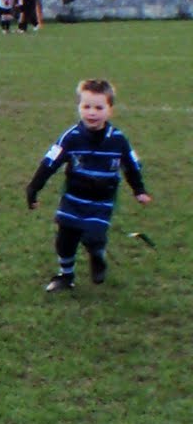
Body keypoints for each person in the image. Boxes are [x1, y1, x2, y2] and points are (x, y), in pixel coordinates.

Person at [26, 79, 150, 292]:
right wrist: (34, 188)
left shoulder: (118, 140)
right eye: (86, 106)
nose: (92, 112)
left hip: (101, 200)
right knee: (65, 239)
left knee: (93, 237)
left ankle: (97, 256)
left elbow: (131, 165)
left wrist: (139, 190)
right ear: (79, 108)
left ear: (110, 110)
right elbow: (49, 163)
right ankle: (66, 276)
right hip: (73, 198)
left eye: (99, 107)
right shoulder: (70, 137)